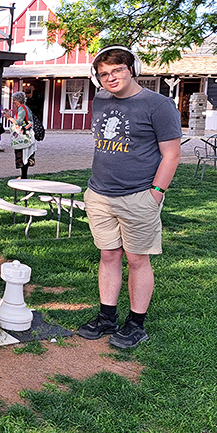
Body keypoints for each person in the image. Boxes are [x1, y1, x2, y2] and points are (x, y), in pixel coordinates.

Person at [78, 45, 181, 348]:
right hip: (99, 194)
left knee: (137, 259)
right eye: (104, 74)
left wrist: (156, 194)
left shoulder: (158, 105)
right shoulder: (100, 100)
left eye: (117, 70)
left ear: (131, 68)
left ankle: (136, 324)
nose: (111, 77)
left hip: (139, 196)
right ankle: (107, 317)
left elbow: (172, 155)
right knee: (108, 255)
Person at [4, 91, 36, 178]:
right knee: (25, 155)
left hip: (23, 135)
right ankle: (23, 175)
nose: (13, 102)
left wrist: (8, 118)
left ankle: (24, 176)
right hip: (27, 134)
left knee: (23, 155)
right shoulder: (26, 108)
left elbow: (18, 122)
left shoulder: (21, 109)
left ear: (18, 100)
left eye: (14, 100)